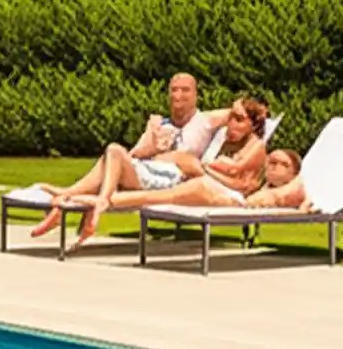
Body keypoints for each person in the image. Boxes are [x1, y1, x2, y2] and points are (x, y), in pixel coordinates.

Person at [29, 73, 241, 239]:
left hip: (168, 178)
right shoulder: (158, 124)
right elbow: (135, 155)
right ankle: (65, 199)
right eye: (174, 90)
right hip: (143, 171)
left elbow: (242, 111)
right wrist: (154, 145)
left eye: (185, 90)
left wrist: (257, 122)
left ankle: (81, 197)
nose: (178, 95)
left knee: (113, 151)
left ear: (196, 94)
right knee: (112, 158)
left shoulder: (206, 120)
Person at [57, 96, 270, 250]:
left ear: (254, 125)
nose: (230, 122)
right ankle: (94, 199)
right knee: (156, 190)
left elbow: (240, 184)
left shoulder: (256, 147)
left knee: (156, 196)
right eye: (230, 116)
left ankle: (95, 200)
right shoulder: (224, 139)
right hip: (207, 186)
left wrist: (204, 171)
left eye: (239, 119)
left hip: (231, 198)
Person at [67, 147, 308, 213]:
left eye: (282, 164)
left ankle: (101, 200)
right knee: (157, 196)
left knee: (156, 196)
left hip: (231, 202)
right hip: (223, 195)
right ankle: (103, 199)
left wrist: (305, 208)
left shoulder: (293, 187)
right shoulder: (261, 185)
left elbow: (306, 202)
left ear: (294, 172)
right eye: (271, 162)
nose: (274, 166)